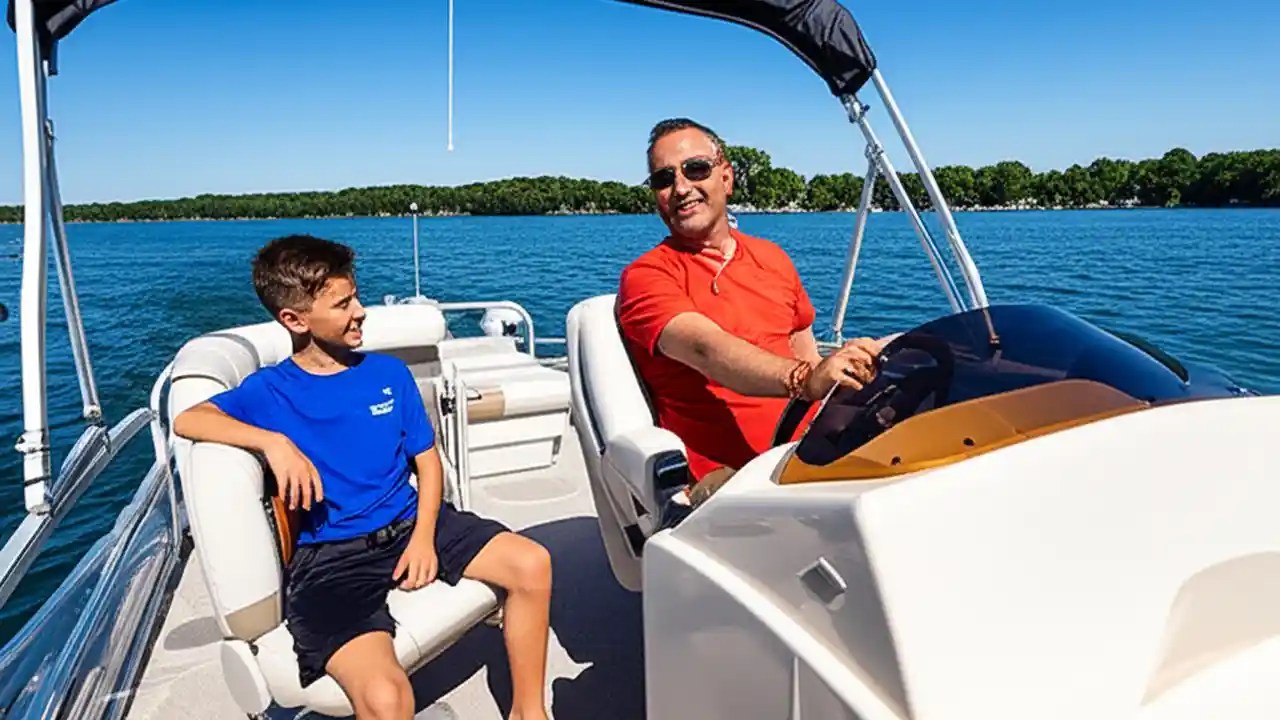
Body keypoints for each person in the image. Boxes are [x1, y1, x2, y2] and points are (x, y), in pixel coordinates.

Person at [173, 235, 551, 720]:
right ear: (294, 320)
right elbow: (189, 419)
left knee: (532, 564)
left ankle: (528, 713)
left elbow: (428, 464)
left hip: (412, 522)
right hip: (332, 559)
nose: (362, 311)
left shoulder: (388, 375)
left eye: (356, 296)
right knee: (387, 698)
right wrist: (273, 443)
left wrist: (422, 542)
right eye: (343, 303)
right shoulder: (269, 392)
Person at [617, 118, 890, 506]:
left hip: (811, 454)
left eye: (696, 169)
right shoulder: (646, 276)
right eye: (664, 179)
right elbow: (706, 350)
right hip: (728, 484)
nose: (680, 188)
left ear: (726, 178)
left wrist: (856, 372)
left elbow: (807, 356)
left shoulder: (772, 259)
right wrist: (806, 379)